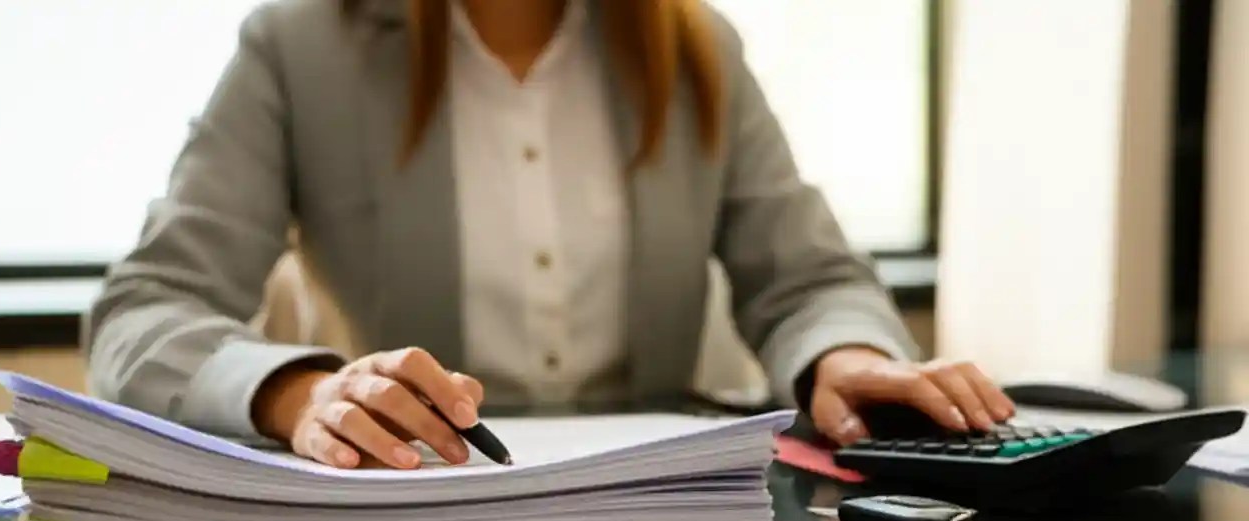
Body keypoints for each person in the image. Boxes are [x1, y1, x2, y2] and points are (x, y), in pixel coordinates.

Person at [85, 0, 1015, 470]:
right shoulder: (301, 45)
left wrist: (844, 356)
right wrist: (303, 395)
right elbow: (145, 313)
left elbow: (809, 281)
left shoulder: (699, 47)